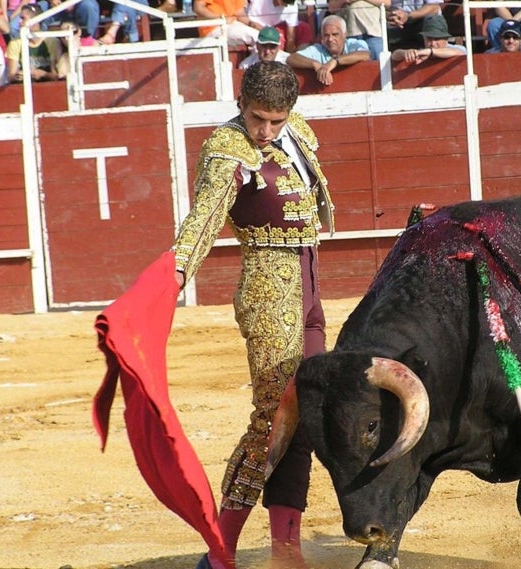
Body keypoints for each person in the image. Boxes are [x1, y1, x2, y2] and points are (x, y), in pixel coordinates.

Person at [173, 60, 335, 569]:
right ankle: (220, 552)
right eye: (257, 118)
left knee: (303, 414)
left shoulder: (297, 134)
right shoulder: (228, 151)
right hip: (269, 290)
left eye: (276, 121)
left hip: (307, 285)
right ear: (241, 103)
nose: (265, 131)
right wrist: (175, 274)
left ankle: (286, 546)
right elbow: (202, 221)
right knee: (272, 418)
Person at [286, 14, 369, 85]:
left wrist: (335, 61)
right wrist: (315, 64)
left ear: (345, 35)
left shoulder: (354, 44)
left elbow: (365, 55)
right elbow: (291, 58)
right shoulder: (318, 49)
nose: (330, 39)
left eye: (335, 34)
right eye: (326, 35)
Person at [5, 3, 63, 82]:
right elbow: (10, 75)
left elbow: (58, 75)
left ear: (35, 20)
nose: (19, 21)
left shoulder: (52, 42)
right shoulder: (15, 43)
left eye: (23, 18)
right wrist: (19, 75)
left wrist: (42, 74)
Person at [244, 0, 315, 53]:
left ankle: (301, 57)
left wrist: (289, 54)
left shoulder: (291, 6)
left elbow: (291, 35)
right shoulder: (258, 2)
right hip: (260, 28)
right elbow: (251, 22)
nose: (287, 5)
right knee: (274, 36)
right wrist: (267, 31)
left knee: (304, 28)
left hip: (279, 26)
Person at [390, 12, 465, 62]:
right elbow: (394, 55)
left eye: (436, 39)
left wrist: (430, 52)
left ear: (446, 38)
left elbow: (459, 52)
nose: (432, 43)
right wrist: (405, 53)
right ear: (424, 38)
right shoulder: (421, 52)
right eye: (429, 38)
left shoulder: (457, 49)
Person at [193, 0, 261, 48]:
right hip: (213, 28)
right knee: (256, 37)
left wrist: (252, 24)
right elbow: (198, 8)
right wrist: (220, 18)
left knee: (263, 36)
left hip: (232, 25)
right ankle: (245, 66)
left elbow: (239, 12)